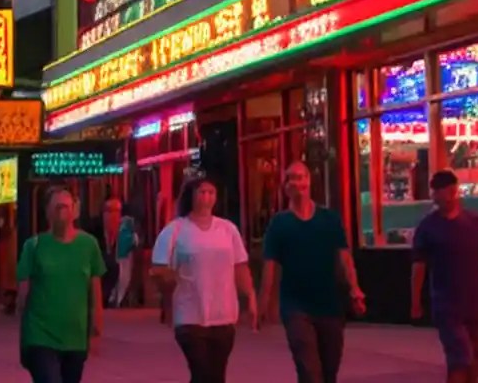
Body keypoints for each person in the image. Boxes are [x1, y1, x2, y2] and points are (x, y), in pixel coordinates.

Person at [261, 161, 367, 383]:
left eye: (301, 177)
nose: (297, 182)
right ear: (285, 186)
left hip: (330, 305)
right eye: (291, 178)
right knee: (309, 370)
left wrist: (355, 289)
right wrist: (263, 305)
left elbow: (345, 258)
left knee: (329, 372)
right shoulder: (279, 224)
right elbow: (270, 266)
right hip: (295, 307)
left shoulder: (329, 219)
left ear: (309, 181)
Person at [411, 170, 478, 383]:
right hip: (445, 304)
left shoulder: (472, 223)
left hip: (473, 303)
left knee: (475, 359)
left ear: (451, 192)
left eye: (438, 192)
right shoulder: (427, 227)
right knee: (460, 356)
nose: (434, 196)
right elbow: (419, 266)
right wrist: (416, 300)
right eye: (433, 192)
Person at [151, 176, 256, 383]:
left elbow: (240, 266)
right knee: (201, 372)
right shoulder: (175, 230)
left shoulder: (227, 229)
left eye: (211, 192)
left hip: (223, 314)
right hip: (189, 314)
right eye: (202, 192)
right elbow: (159, 270)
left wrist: (251, 297)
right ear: (191, 195)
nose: (207, 197)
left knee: (216, 375)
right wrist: (167, 295)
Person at [17, 187, 105, 383]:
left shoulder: (88, 245)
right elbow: (23, 293)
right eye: (57, 208)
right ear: (47, 212)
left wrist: (96, 328)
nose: (61, 213)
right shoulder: (34, 246)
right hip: (40, 336)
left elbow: (95, 291)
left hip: (75, 337)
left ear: (74, 210)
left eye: (66, 207)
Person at [95, 195, 123, 307]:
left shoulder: (126, 231)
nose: (110, 215)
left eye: (115, 212)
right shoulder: (93, 231)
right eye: (107, 211)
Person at [112, 210, 140, 307]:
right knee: (124, 279)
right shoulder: (130, 235)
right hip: (126, 259)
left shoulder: (121, 233)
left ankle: (114, 298)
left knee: (121, 279)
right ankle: (119, 300)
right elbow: (135, 244)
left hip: (121, 259)